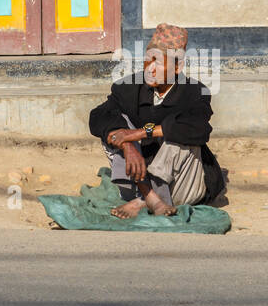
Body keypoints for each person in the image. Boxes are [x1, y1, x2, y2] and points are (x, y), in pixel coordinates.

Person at [88, 23, 224, 219]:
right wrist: (128, 145)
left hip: (183, 186)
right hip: (137, 183)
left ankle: (146, 200)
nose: (150, 69)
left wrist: (140, 133)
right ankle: (149, 198)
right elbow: (97, 117)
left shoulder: (194, 92)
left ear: (177, 67)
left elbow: (199, 129)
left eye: (159, 63)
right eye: (147, 61)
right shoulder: (127, 88)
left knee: (181, 132)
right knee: (116, 123)